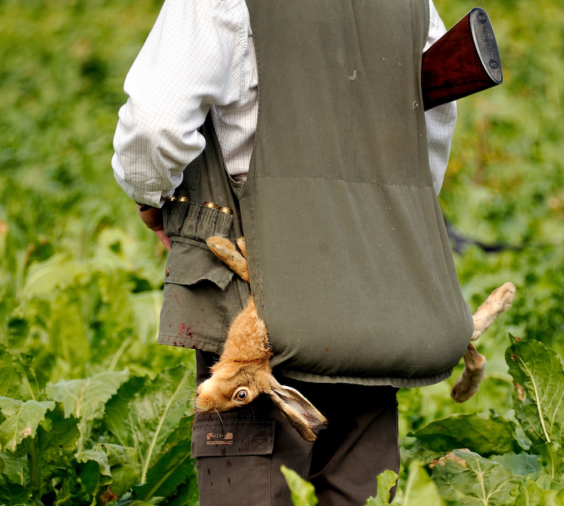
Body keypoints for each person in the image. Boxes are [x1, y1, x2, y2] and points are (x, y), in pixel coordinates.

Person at [112, 0, 471, 504]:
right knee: (361, 490)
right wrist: (384, 225)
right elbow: (431, 122)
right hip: (372, 289)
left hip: (254, 298)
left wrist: (150, 196)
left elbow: (155, 124)